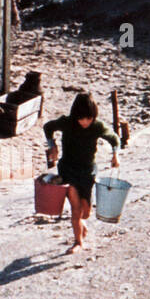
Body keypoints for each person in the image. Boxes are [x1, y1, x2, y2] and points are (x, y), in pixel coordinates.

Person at [44, 93, 121, 253]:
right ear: (75, 116)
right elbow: (48, 127)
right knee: (75, 208)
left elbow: (114, 139)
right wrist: (52, 145)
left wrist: (115, 154)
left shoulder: (97, 126)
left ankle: (81, 224)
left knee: (85, 212)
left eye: (89, 118)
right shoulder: (67, 122)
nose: (85, 122)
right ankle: (78, 242)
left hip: (87, 172)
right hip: (68, 169)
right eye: (81, 118)